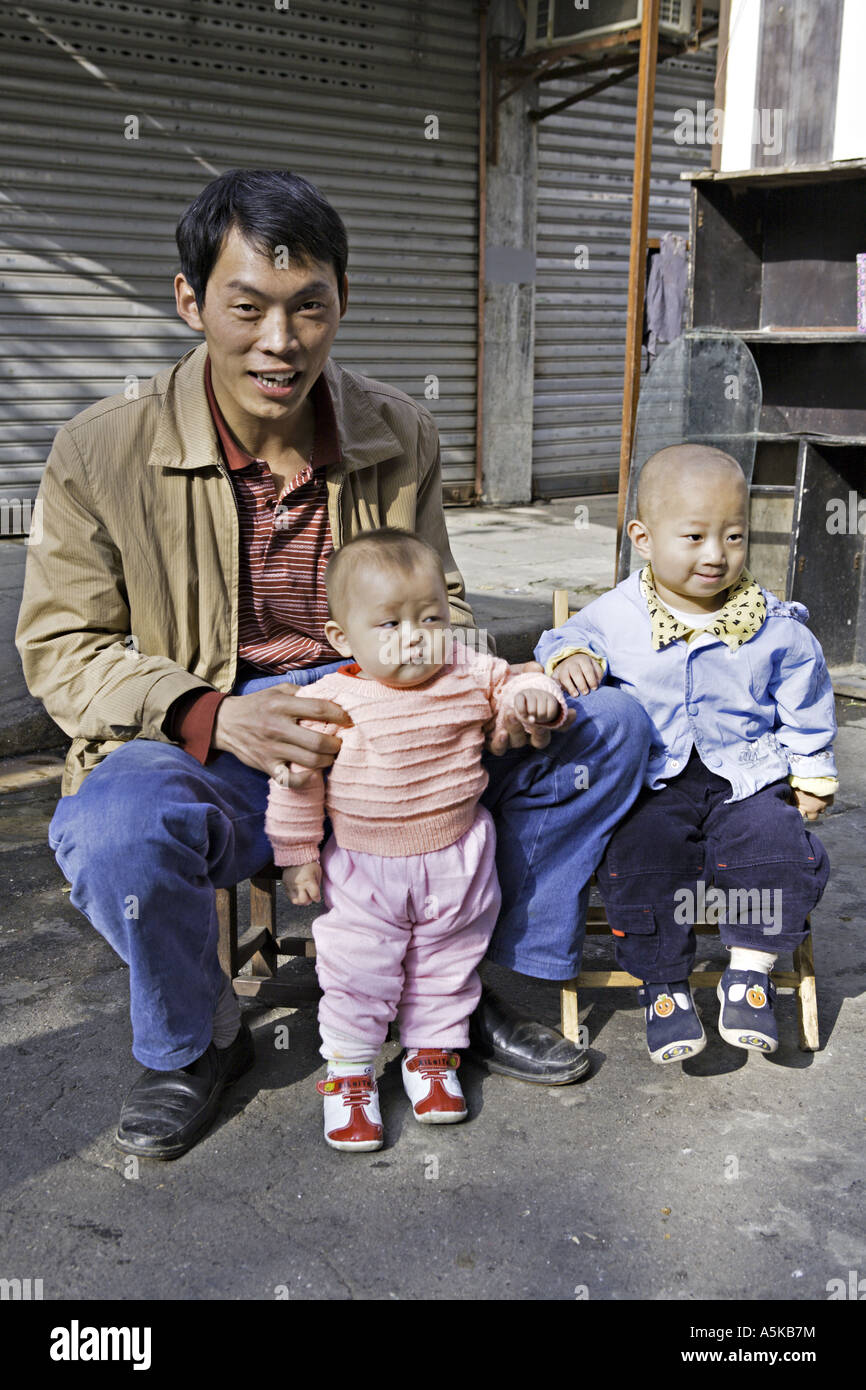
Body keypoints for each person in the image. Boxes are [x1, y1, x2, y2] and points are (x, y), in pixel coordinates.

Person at [16, 168, 651, 1160]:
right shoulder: (100, 449)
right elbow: (63, 649)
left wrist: (480, 696)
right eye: (249, 308)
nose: (282, 340)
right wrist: (211, 713)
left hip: (399, 727)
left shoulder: (399, 430)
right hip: (216, 737)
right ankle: (195, 1041)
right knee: (113, 826)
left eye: (309, 307)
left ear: (339, 303)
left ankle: (460, 982)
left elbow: (447, 601)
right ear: (190, 302)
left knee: (606, 727)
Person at [265, 528, 568, 1151]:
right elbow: (297, 784)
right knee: (358, 970)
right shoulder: (330, 699)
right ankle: (349, 1073)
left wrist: (535, 697)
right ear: (342, 638)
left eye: (430, 617)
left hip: (458, 858)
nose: (415, 636)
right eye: (390, 624)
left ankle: (431, 1056)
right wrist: (296, 855)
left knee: (447, 963)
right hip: (364, 868)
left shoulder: (466, 672)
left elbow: (512, 683)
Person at [535, 445, 836, 1063]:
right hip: (653, 780)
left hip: (746, 776)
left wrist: (812, 773)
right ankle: (665, 988)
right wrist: (570, 656)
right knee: (639, 857)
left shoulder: (772, 623)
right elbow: (564, 636)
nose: (716, 554)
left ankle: (749, 972)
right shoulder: (617, 614)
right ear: (643, 538)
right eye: (694, 535)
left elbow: (806, 698)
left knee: (777, 845)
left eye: (733, 535)